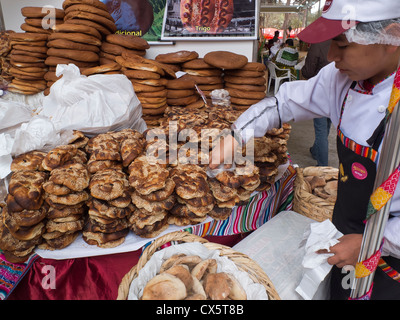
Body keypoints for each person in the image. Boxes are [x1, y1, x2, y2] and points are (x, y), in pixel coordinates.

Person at [209, 0, 400, 300]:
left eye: (342, 44)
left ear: (391, 37)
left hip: (392, 259)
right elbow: (282, 103)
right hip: (343, 235)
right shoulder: (341, 81)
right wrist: (236, 135)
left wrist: (370, 243)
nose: (332, 56)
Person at [301, 40, 332, 166]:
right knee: (327, 125)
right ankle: (315, 150)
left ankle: (322, 166)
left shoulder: (318, 43)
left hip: (320, 92)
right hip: (337, 90)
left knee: (321, 130)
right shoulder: (341, 41)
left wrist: (302, 69)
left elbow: (308, 71)